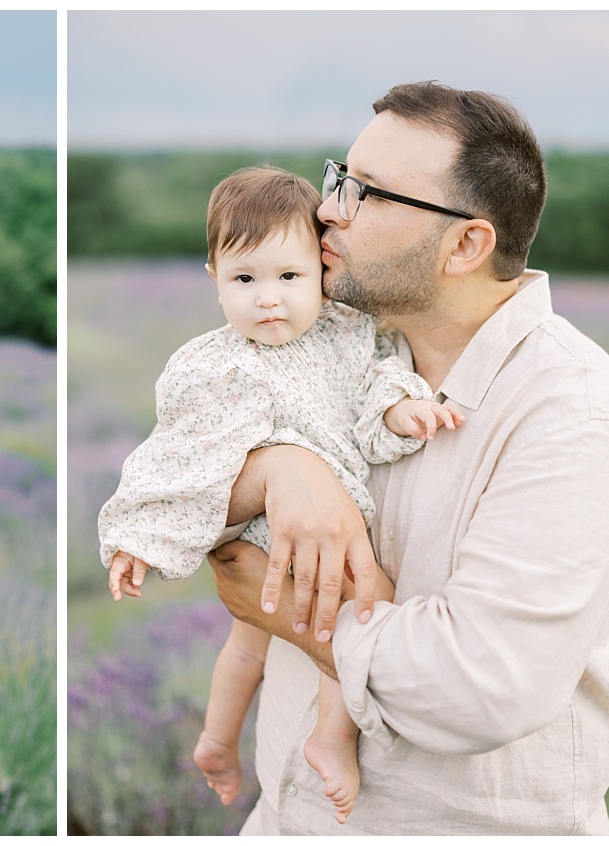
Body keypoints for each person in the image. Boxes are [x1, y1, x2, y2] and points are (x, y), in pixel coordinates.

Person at [208, 81, 609, 834]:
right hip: (283, 819)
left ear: (467, 245)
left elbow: (482, 686)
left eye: (369, 194)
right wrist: (277, 468)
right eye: (339, 178)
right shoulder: (335, 345)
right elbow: (174, 481)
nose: (327, 211)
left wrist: (291, 619)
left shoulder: (570, 410)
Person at [98, 165, 461, 823]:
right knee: (365, 596)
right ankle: (332, 736)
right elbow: (175, 459)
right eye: (245, 279)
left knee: (252, 638)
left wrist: (400, 412)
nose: (268, 298)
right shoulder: (212, 365)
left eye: (288, 277)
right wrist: (140, 539)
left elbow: (378, 385)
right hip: (270, 524)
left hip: (334, 510)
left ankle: (216, 739)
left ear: (323, 272)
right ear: (213, 277)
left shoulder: (347, 335)